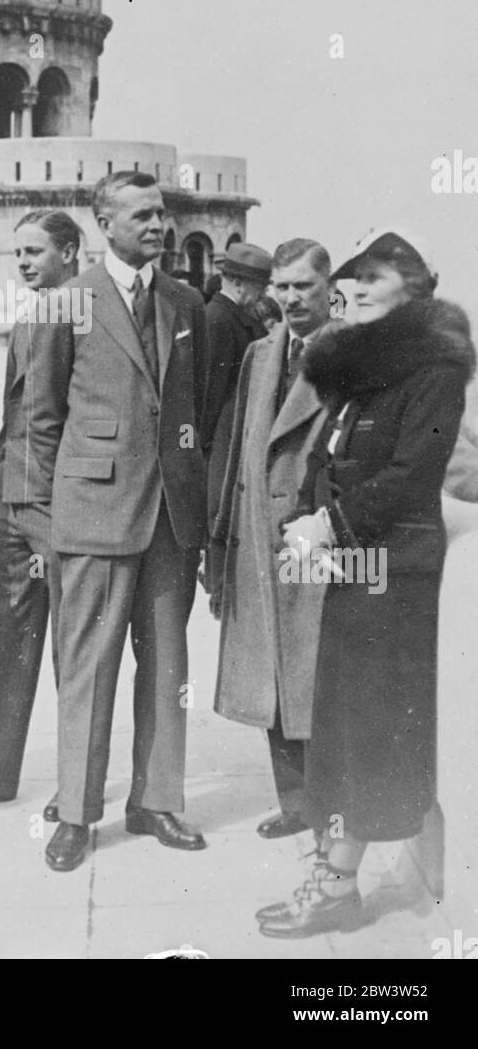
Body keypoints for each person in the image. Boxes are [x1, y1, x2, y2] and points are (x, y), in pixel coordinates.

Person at [258, 227, 475, 938]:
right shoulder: (361, 370)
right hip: (352, 571)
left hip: (396, 575)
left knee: (368, 734)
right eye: (345, 288)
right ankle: (333, 874)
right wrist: (302, 521)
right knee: (341, 728)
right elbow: (325, 459)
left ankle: (335, 885)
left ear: (411, 293)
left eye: (367, 285)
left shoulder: (436, 373)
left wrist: (329, 527)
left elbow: (412, 476)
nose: (348, 296)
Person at [26, 171, 208, 872]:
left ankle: (156, 800)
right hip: (93, 511)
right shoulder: (65, 305)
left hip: (168, 514)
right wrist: (46, 521)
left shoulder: (185, 301)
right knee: (87, 668)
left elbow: (193, 411)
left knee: (166, 665)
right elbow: (39, 421)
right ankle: (75, 813)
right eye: (139, 216)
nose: (156, 226)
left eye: (160, 214)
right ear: (104, 224)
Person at [212, 239, 336, 841]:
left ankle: (330, 809)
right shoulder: (261, 353)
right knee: (270, 676)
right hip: (257, 536)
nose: (291, 298)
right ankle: (295, 802)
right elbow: (238, 447)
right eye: (282, 287)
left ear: (327, 287)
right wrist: (222, 540)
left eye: (303, 287)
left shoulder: (350, 354)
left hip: (317, 537)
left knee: (315, 677)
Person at [0, 210, 80, 813]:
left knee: (73, 653)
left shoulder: (83, 317)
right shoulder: (31, 316)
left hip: (60, 510)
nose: (25, 263)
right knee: (3, 640)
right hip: (13, 504)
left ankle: (77, 786)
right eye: (18, 254)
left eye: (35, 251)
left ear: (70, 250)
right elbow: (13, 423)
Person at [203, 242, 272, 597]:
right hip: (225, 435)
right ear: (241, 284)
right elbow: (210, 392)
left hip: (238, 432)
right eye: (260, 286)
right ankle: (218, 588)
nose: (263, 295)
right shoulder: (218, 320)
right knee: (221, 510)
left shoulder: (239, 316)